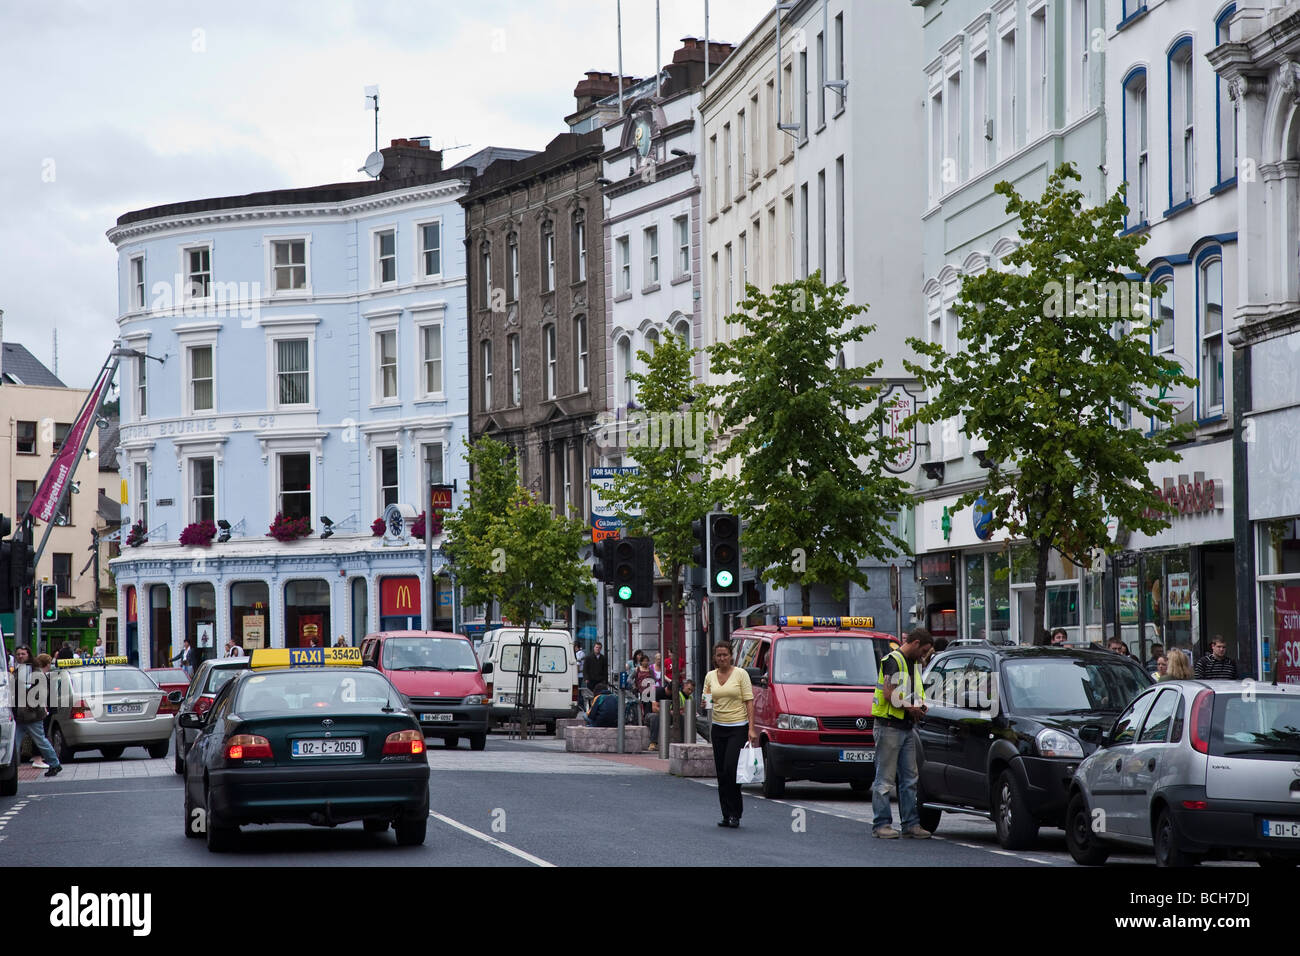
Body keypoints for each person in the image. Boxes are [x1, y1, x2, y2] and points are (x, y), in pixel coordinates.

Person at [871, 627, 934, 840]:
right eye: (923, 650)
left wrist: (920, 705)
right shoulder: (893, 660)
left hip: (906, 727)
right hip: (889, 726)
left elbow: (913, 691)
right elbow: (888, 693)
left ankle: (910, 824)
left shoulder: (914, 663)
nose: (924, 655)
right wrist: (911, 708)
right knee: (885, 779)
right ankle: (881, 825)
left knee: (909, 779)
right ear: (915, 643)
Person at [702, 642, 756, 828]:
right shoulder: (710, 676)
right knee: (721, 773)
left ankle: (735, 813)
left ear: (731, 656)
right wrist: (705, 703)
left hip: (738, 728)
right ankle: (726, 814)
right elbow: (708, 701)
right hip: (718, 728)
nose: (722, 658)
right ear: (714, 657)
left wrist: (751, 728)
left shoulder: (741, 674)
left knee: (731, 769)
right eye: (719, 655)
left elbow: (749, 701)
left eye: (725, 655)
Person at [14, 653, 62, 777]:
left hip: (32, 716)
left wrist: (31, 706)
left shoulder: (34, 672)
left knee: (40, 741)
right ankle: (9, 767)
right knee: (14, 743)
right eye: (18, 654)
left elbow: (40, 693)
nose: (20, 656)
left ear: (28, 655)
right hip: (20, 716)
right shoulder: (18, 671)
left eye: (23, 654)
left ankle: (55, 764)